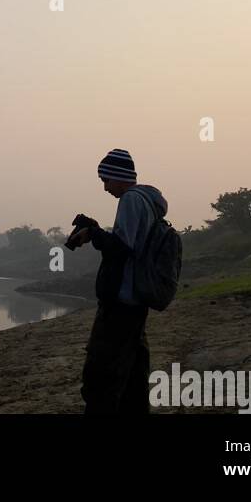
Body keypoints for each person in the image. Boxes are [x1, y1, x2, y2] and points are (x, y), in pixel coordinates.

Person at [66, 148, 168, 414]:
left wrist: (93, 234)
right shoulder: (147, 201)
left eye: (106, 181)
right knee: (133, 374)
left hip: (122, 302)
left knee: (100, 375)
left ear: (119, 177)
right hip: (134, 301)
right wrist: (96, 229)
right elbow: (129, 244)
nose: (105, 188)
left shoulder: (131, 200)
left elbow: (122, 249)